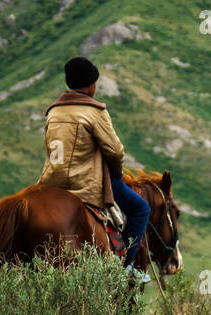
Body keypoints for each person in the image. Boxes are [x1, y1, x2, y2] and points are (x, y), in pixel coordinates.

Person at [38, 57, 152, 284]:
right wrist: (116, 176)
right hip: (85, 183)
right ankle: (126, 269)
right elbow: (115, 151)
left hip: (50, 183)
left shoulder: (53, 113)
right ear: (91, 85)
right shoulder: (95, 112)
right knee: (141, 209)